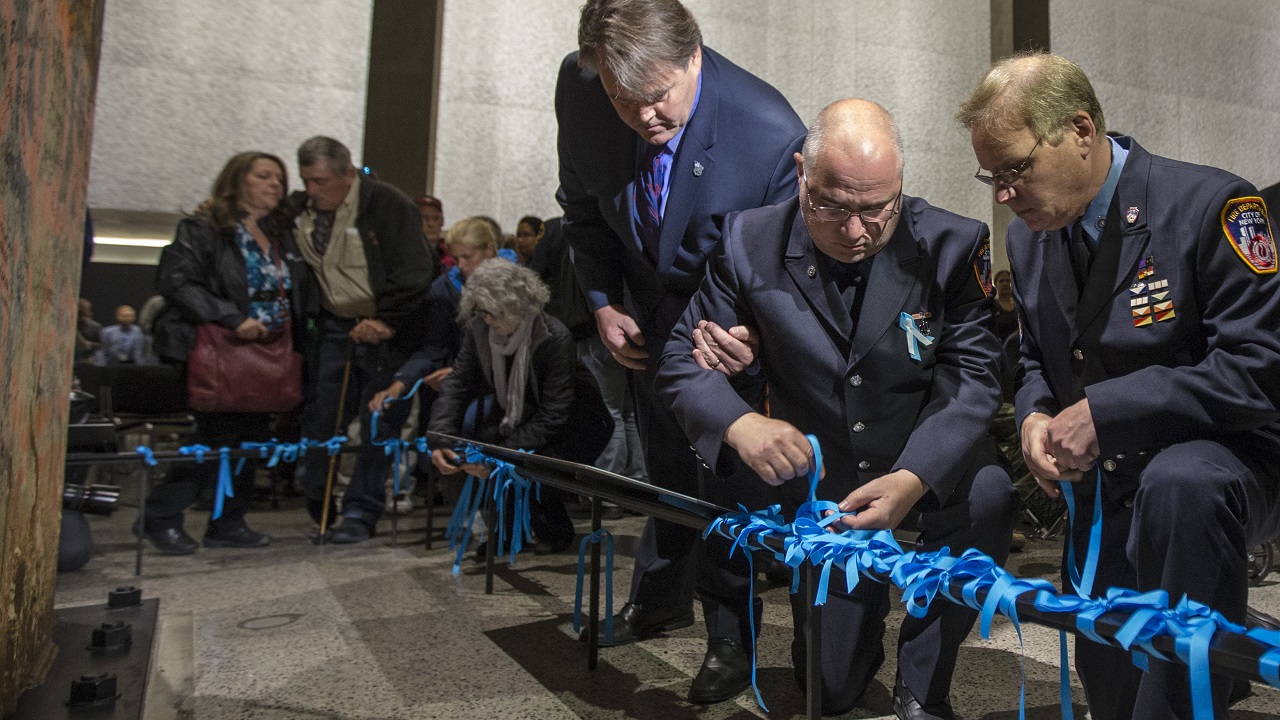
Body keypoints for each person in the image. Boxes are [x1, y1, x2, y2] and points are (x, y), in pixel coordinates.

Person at [659, 99, 1014, 719]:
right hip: (827, 481)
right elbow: (680, 360)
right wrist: (742, 422)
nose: (855, 232)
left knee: (988, 492)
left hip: (920, 455)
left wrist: (912, 476)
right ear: (801, 173)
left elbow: (975, 378)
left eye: (877, 209)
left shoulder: (955, 245)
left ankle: (924, 679)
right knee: (830, 687)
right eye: (832, 206)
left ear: (901, 185)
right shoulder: (750, 240)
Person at [958, 51, 1280, 720]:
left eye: (1016, 169)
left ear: (1080, 130)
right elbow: (1036, 360)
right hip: (1106, 480)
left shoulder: (1213, 206)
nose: (1003, 194)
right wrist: (1035, 416)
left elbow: (1256, 368)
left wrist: (1105, 412)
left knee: (1179, 487)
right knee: (1112, 686)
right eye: (992, 175)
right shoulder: (1029, 240)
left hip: (1223, 458)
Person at [555, 0, 806, 698]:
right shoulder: (579, 90)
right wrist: (603, 302)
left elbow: (784, 266)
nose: (643, 118)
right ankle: (659, 601)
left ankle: (731, 641)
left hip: (723, 328)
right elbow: (582, 208)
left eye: (658, 97)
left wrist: (751, 332)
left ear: (694, 54)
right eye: (622, 100)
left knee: (725, 483)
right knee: (663, 473)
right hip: (640, 314)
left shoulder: (768, 131)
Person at [145, 151, 308, 554]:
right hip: (217, 347)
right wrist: (231, 317)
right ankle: (160, 516)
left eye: (279, 178)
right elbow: (177, 282)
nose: (275, 184)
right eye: (264, 176)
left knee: (252, 437)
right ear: (237, 181)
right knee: (215, 434)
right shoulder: (203, 228)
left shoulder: (282, 234)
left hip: (265, 352)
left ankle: (228, 523)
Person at [290, 136, 433, 543]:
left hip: (388, 328)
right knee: (323, 417)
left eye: (321, 182)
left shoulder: (388, 205)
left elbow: (414, 271)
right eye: (307, 182)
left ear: (347, 174)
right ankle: (319, 500)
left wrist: (386, 320)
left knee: (378, 421)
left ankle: (360, 510)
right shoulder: (300, 208)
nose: (313, 192)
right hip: (336, 326)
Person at [426, 259, 576, 554]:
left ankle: (550, 529)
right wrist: (440, 436)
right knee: (480, 448)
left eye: (491, 311)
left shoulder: (554, 336)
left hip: (567, 427)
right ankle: (507, 533)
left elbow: (555, 411)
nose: (486, 318)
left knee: (525, 462)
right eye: (480, 310)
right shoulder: (479, 330)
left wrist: (499, 454)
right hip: (511, 417)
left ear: (516, 305)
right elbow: (458, 383)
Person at [417, 195, 450, 277]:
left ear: (442, 222)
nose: (431, 224)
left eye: (435, 218)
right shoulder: (403, 252)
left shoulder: (451, 252)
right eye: (424, 218)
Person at [75, 297, 102, 362]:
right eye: (79, 310)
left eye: (83, 310)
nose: (81, 311)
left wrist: (89, 345)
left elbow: (102, 346)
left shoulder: (95, 327)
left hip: (86, 360)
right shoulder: (70, 325)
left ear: (88, 311)